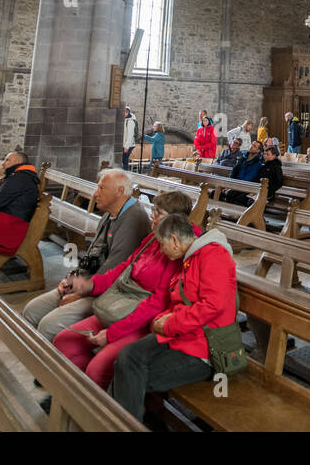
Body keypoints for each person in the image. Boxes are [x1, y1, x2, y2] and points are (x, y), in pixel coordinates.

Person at [51, 191, 199, 388]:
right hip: (118, 305)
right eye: (153, 210)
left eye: (158, 212)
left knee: (98, 368)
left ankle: (97, 406)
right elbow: (122, 270)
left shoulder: (177, 250)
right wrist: (89, 285)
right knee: (64, 341)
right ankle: (75, 394)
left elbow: (158, 303)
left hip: (141, 322)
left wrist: (112, 333)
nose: (152, 215)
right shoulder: (151, 239)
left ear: (174, 220)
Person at [109, 213, 237, 421]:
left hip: (205, 349)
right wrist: (161, 319)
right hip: (180, 336)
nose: (160, 249)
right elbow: (178, 301)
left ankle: (118, 424)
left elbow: (213, 305)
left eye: (161, 244)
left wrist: (169, 324)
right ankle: (119, 422)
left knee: (131, 375)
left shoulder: (214, 256)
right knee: (127, 356)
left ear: (175, 240)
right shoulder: (188, 258)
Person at [23, 168, 151, 340]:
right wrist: (70, 280)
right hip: (88, 282)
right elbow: (93, 255)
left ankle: (52, 363)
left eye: (101, 188)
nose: (95, 193)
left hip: (108, 292)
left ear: (120, 191)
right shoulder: (110, 213)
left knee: (49, 324)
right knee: (31, 310)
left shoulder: (134, 219)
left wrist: (79, 293)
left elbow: (112, 270)